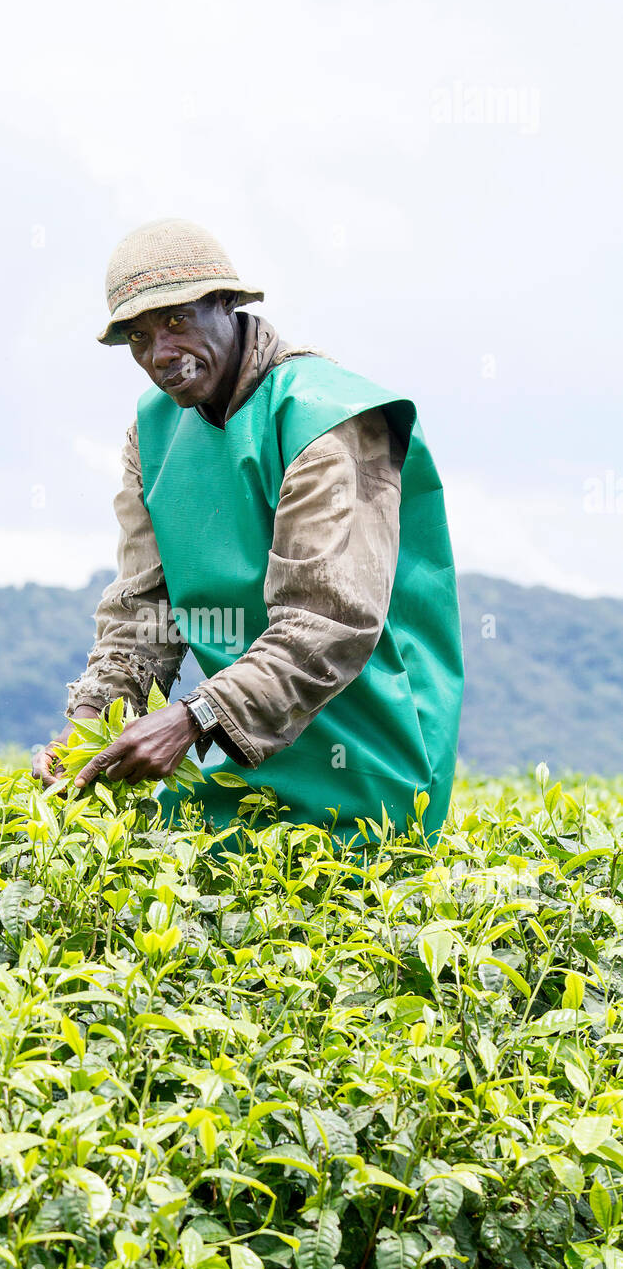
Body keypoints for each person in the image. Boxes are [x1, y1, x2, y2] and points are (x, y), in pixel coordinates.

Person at [32, 218, 464, 845]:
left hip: (372, 770)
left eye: (177, 321)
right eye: (138, 336)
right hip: (239, 769)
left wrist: (194, 717)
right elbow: (145, 612)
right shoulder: (151, 436)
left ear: (229, 305)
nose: (160, 355)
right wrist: (90, 729)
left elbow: (327, 622)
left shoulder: (325, 418)